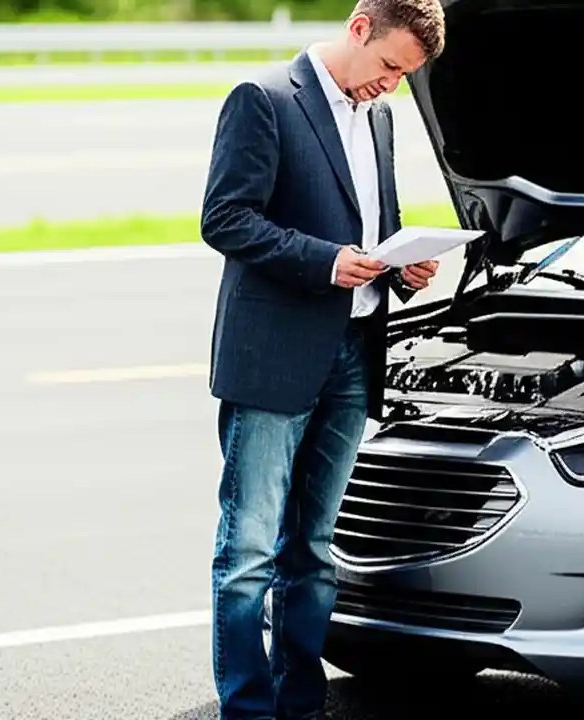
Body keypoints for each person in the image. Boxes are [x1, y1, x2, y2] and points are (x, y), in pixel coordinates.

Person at [197, 0, 446, 717]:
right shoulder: (265, 99)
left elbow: (375, 226)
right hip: (274, 357)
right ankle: (246, 708)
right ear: (359, 26)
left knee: (314, 550)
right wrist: (325, 262)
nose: (391, 85)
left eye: (406, 76)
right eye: (390, 66)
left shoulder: (382, 118)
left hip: (353, 357)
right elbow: (226, 218)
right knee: (248, 555)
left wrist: (403, 266)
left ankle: (300, 702)